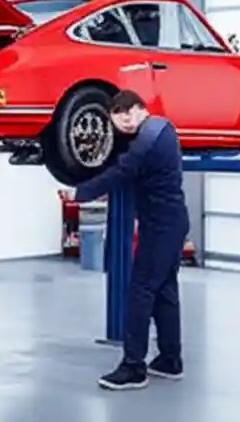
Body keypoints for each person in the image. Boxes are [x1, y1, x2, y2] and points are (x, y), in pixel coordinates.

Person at [74, 89, 189, 391]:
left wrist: (81, 192)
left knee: (140, 290)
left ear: (140, 109)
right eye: (118, 117)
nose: (125, 121)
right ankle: (170, 360)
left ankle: (133, 367)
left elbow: (124, 170)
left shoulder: (151, 133)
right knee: (164, 290)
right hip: (168, 222)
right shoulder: (160, 130)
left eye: (128, 114)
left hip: (163, 226)